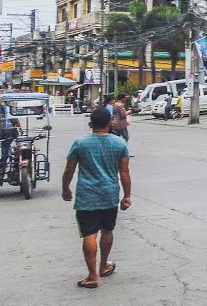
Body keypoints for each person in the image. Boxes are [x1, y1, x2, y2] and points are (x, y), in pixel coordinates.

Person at [62, 107, 131, 289]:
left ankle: (92, 276)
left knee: (89, 233)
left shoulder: (80, 143)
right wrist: (127, 196)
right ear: (109, 124)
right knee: (107, 230)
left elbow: (69, 169)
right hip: (110, 194)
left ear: (91, 124)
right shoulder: (120, 144)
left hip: (87, 195)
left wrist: (65, 189)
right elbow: (124, 172)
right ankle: (104, 265)